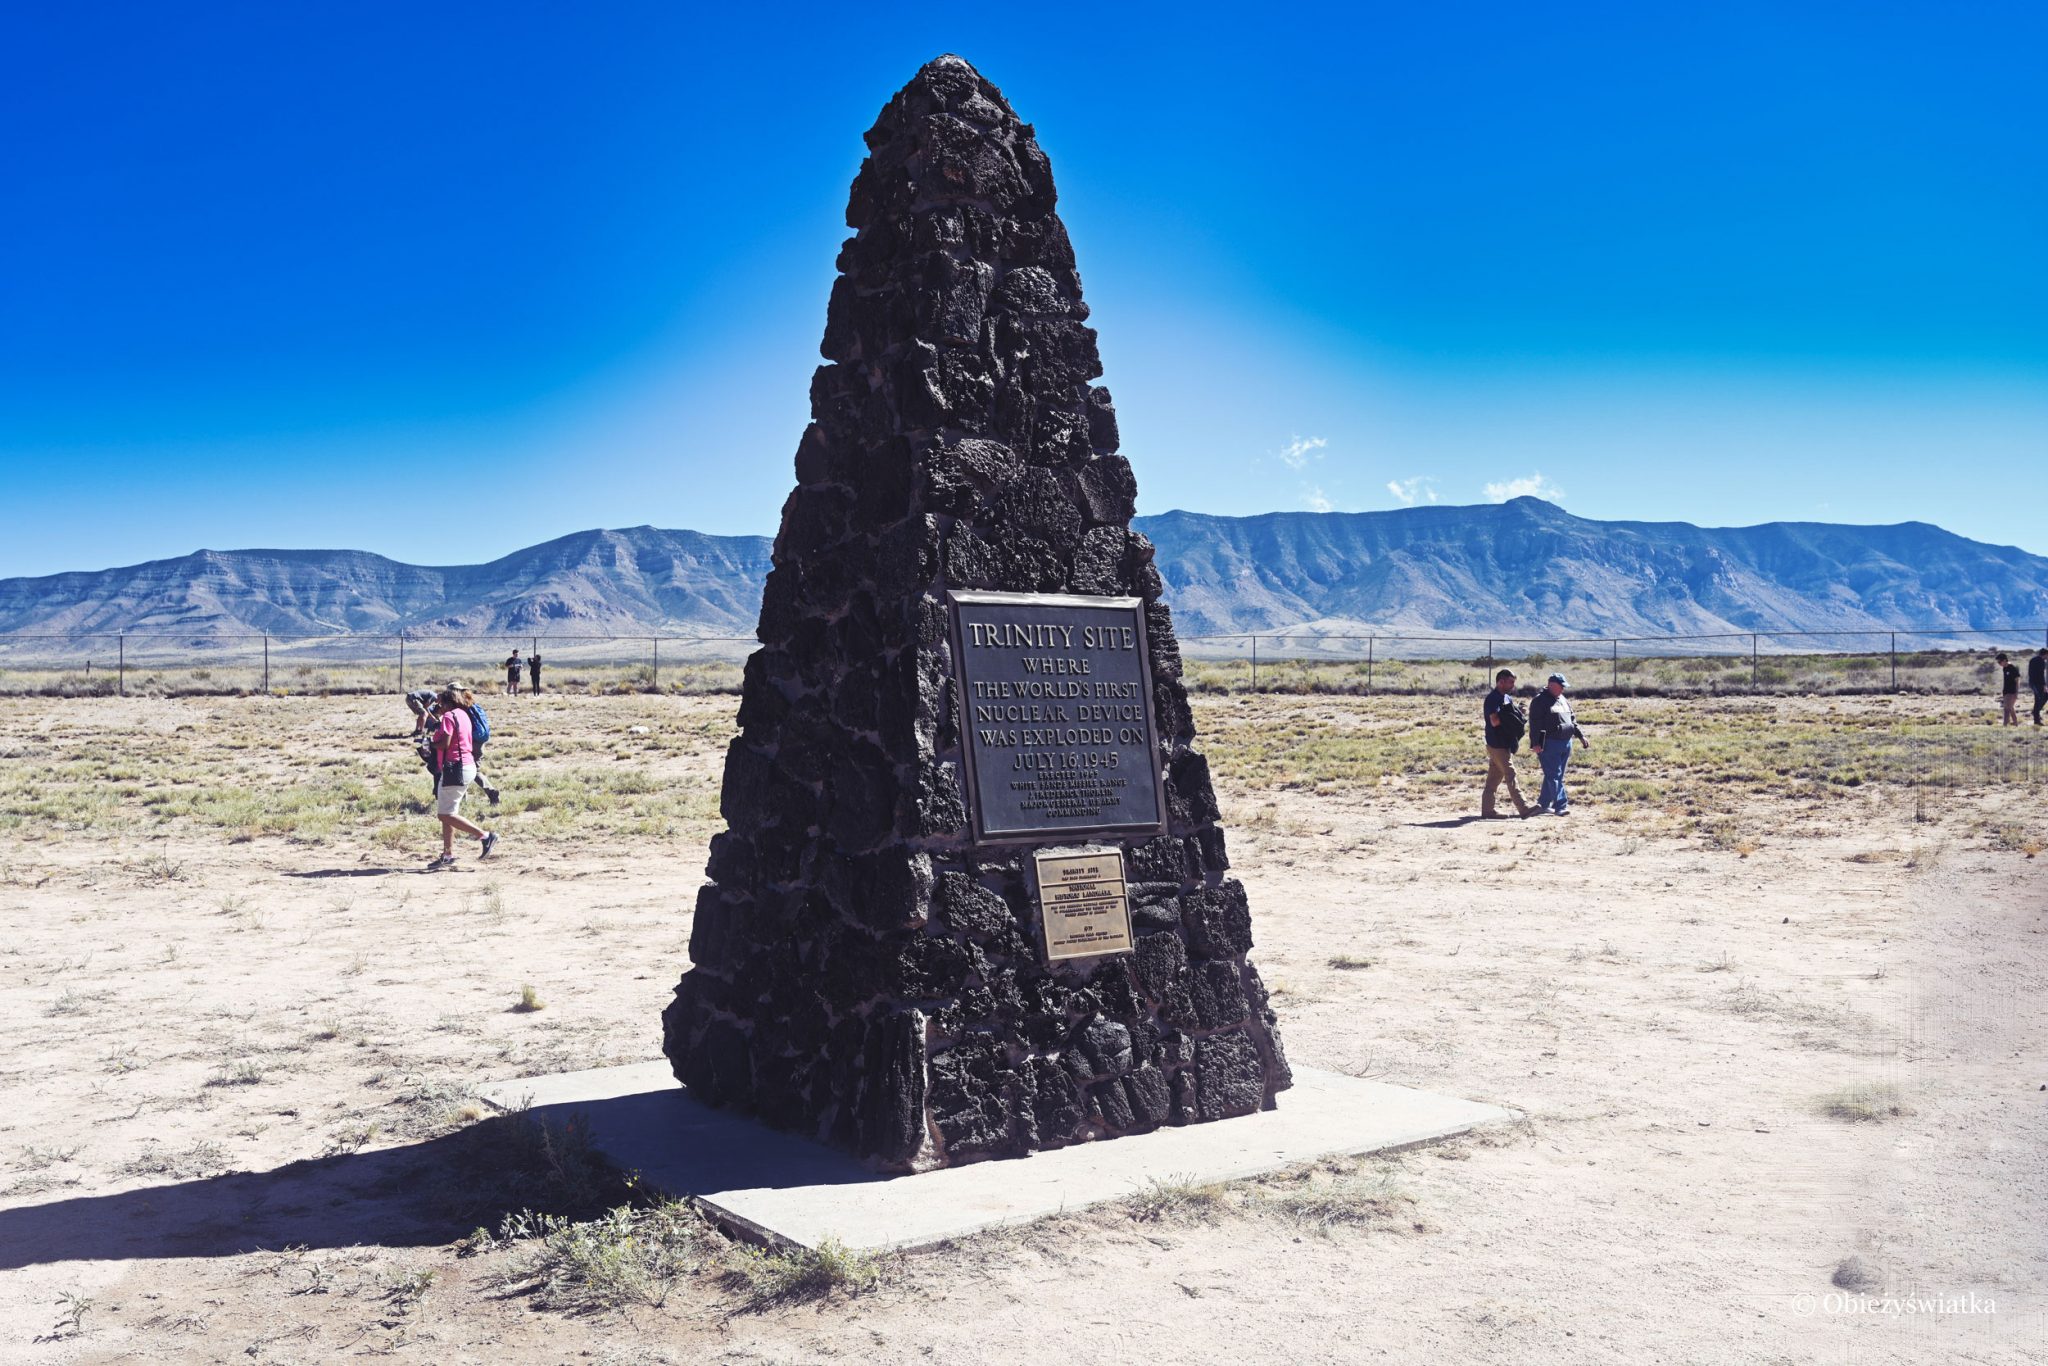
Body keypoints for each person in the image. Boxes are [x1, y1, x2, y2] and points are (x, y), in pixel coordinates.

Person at [426, 685, 497, 869]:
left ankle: (485, 836)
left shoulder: (449, 716)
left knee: (444, 814)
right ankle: (447, 854)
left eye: (440, 703)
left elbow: (445, 743)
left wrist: (430, 745)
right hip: (467, 766)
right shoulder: (463, 714)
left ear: (447, 702)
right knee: (449, 813)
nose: (438, 706)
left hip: (454, 768)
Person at [1527, 673, 1589, 817]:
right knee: (1553, 775)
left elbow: (1572, 720)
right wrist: (1536, 743)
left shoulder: (1563, 700)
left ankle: (1543, 804)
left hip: (1566, 742)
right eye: (1560, 687)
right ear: (1551, 685)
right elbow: (1535, 724)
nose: (1562, 690)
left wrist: (1581, 736)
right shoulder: (1539, 701)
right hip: (1548, 743)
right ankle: (1560, 805)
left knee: (1556, 776)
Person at [1480, 668, 1533, 818]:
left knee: (1493, 779)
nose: (1512, 686)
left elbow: (1508, 717)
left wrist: (1519, 715)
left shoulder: (1507, 698)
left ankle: (1488, 811)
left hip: (1503, 742)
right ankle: (1524, 808)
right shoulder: (1493, 699)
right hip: (1497, 744)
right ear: (1501, 681)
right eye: (1510, 682)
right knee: (1511, 774)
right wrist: (1510, 718)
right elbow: (1495, 721)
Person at [1996, 653, 2020, 726]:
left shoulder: (2012, 668)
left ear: (2005, 660)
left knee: (2007, 709)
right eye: (1998, 662)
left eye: (2000, 662)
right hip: (2006, 691)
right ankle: (2015, 724)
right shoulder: (2005, 668)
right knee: (2010, 708)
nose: (1999, 664)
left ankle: (2005, 725)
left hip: (2012, 691)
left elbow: (2017, 680)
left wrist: (2016, 692)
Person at [2029, 648, 2047, 727]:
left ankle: (2036, 713)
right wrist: (2044, 685)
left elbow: (2030, 673)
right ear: (2045, 654)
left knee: (2040, 699)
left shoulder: (2032, 660)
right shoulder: (2041, 661)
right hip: (2038, 684)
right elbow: (2041, 674)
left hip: (2032, 683)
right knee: (2038, 700)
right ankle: (2036, 721)